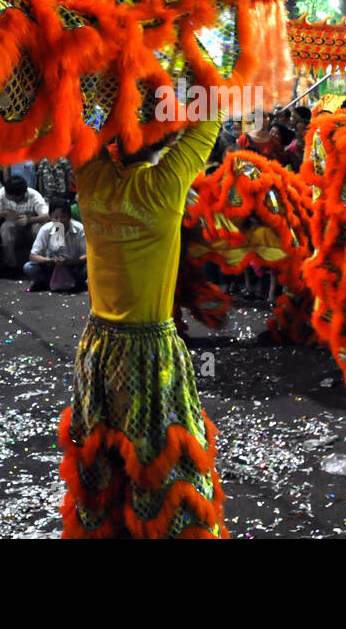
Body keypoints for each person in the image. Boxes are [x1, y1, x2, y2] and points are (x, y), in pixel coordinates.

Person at [59, 115, 227, 538]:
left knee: (102, 463)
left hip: (97, 350)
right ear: (163, 140)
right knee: (158, 468)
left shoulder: (92, 178)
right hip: (152, 356)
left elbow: (72, 117)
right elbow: (210, 115)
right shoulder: (166, 184)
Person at [0, 174, 49, 275]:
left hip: (30, 226)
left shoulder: (34, 195)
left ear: (20, 195)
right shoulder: (3, 192)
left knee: (40, 228)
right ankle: (11, 267)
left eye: (10, 197)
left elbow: (47, 215)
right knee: (6, 228)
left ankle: (41, 263)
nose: (7, 197)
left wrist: (29, 220)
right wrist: (6, 212)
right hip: (12, 226)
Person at [25, 197, 88, 292]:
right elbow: (33, 256)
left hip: (73, 266)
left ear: (69, 216)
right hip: (51, 267)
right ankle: (52, 282)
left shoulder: (79, 229)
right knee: (29, 267)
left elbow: (87, 255)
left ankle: (72, 282)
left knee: (89, 267)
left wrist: (70, 262)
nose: (60, 220)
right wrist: (50, 260)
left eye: (63, 217)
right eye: (56, 217)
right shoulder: (46, 229)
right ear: (50, 217)